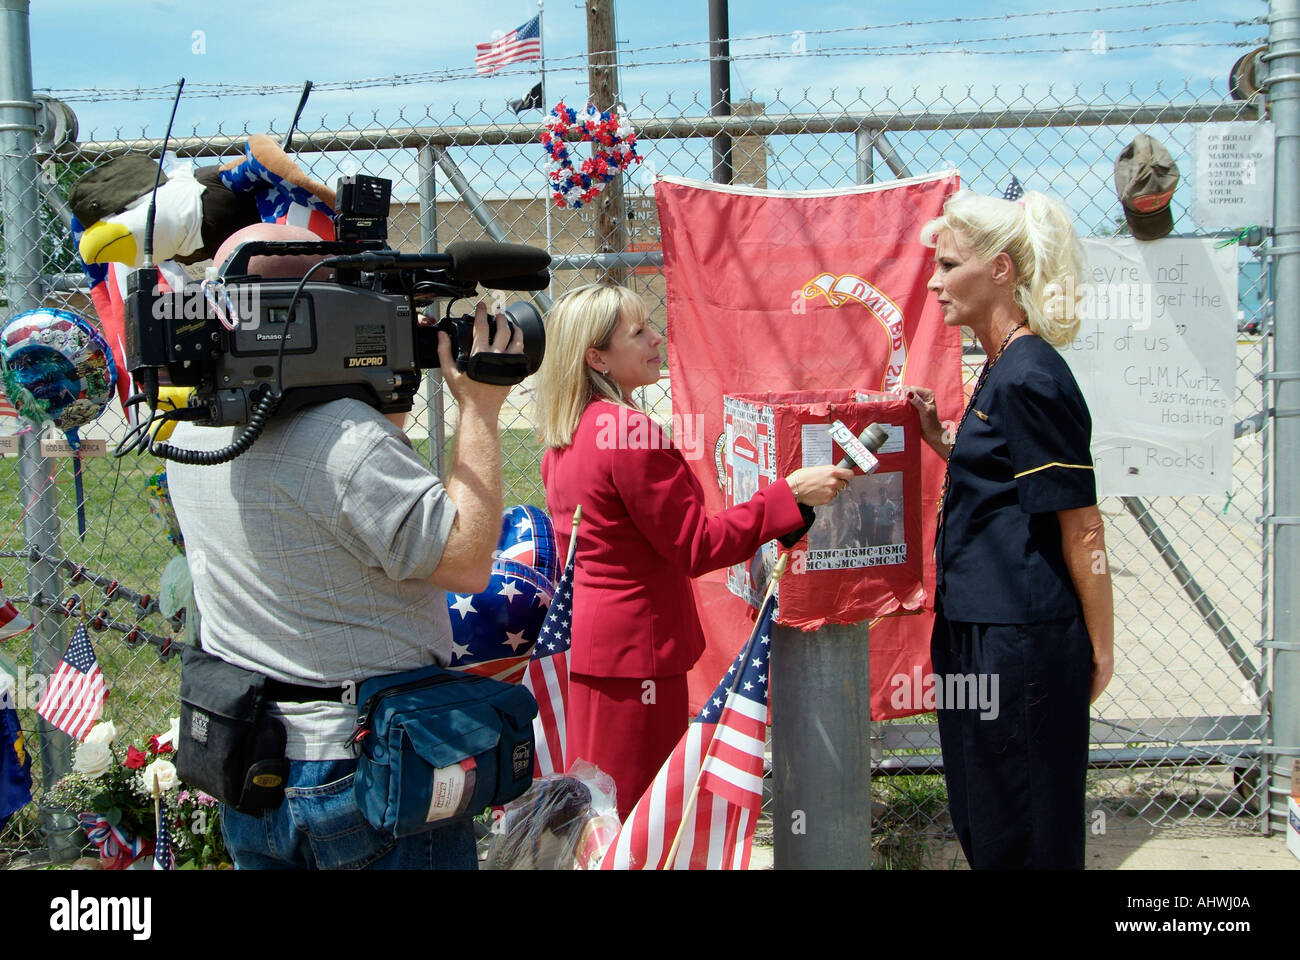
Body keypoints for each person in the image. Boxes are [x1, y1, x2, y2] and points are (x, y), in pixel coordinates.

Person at [168, 222, 521, 869]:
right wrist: (481, 406)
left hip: (254, 766)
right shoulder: (345, 444)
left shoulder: (191, 431)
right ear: (317, 310)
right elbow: (468, 561)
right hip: (365, 776)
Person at [534, 282, 853, 819]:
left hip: (593, 651)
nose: (657, 338)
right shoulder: (629, 432)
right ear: (598, 357)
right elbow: (695, 545)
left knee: (599, 807)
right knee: (637, 815)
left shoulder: (570, 431)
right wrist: (789, 496)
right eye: (638, 332)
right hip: (638, 658)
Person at [905, 190, 1114, 870]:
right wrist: (944, 442)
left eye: (947, 265)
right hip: (973, 631)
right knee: (982, 813)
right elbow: (1006, 482)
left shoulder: (1031, 376)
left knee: (1023, 828)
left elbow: (1082, 527)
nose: (934, 282)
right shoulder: (998, 369)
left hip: (1017, 643)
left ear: (999, 270)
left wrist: (1100, 647)